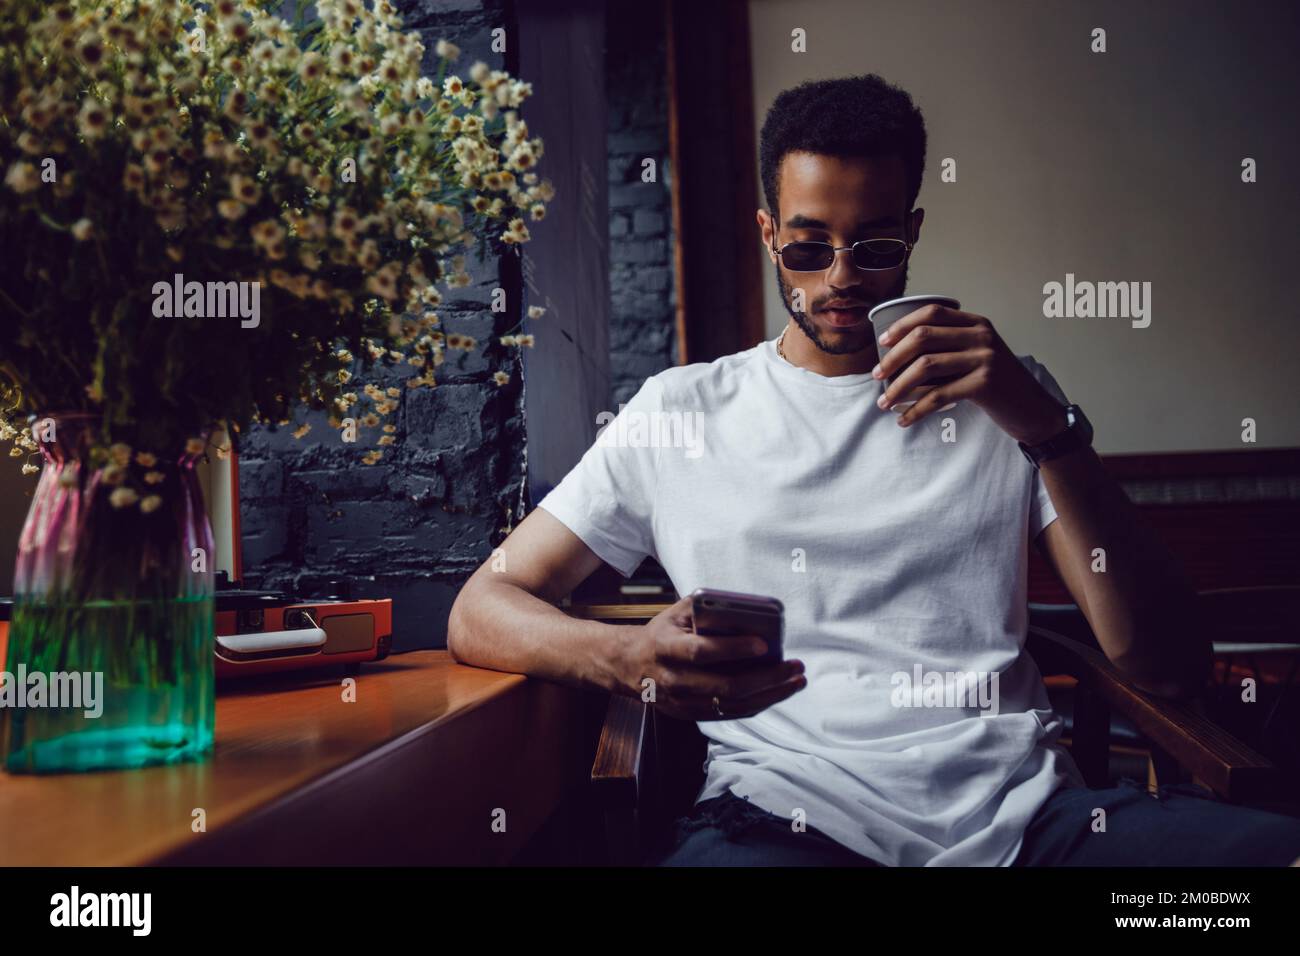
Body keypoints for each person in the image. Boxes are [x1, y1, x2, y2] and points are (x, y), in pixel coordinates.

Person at [448, 74, 1300, 867]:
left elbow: (1165, 666)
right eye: (810, 248)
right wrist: (627, 654)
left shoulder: (1011, 396)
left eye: (876, 245)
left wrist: (1045, 426)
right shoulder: (682, 411)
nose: (843, 279)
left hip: (1029, 821)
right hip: (780, 820)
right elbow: (481, 607)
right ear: (768, 233)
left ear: (913, 234)